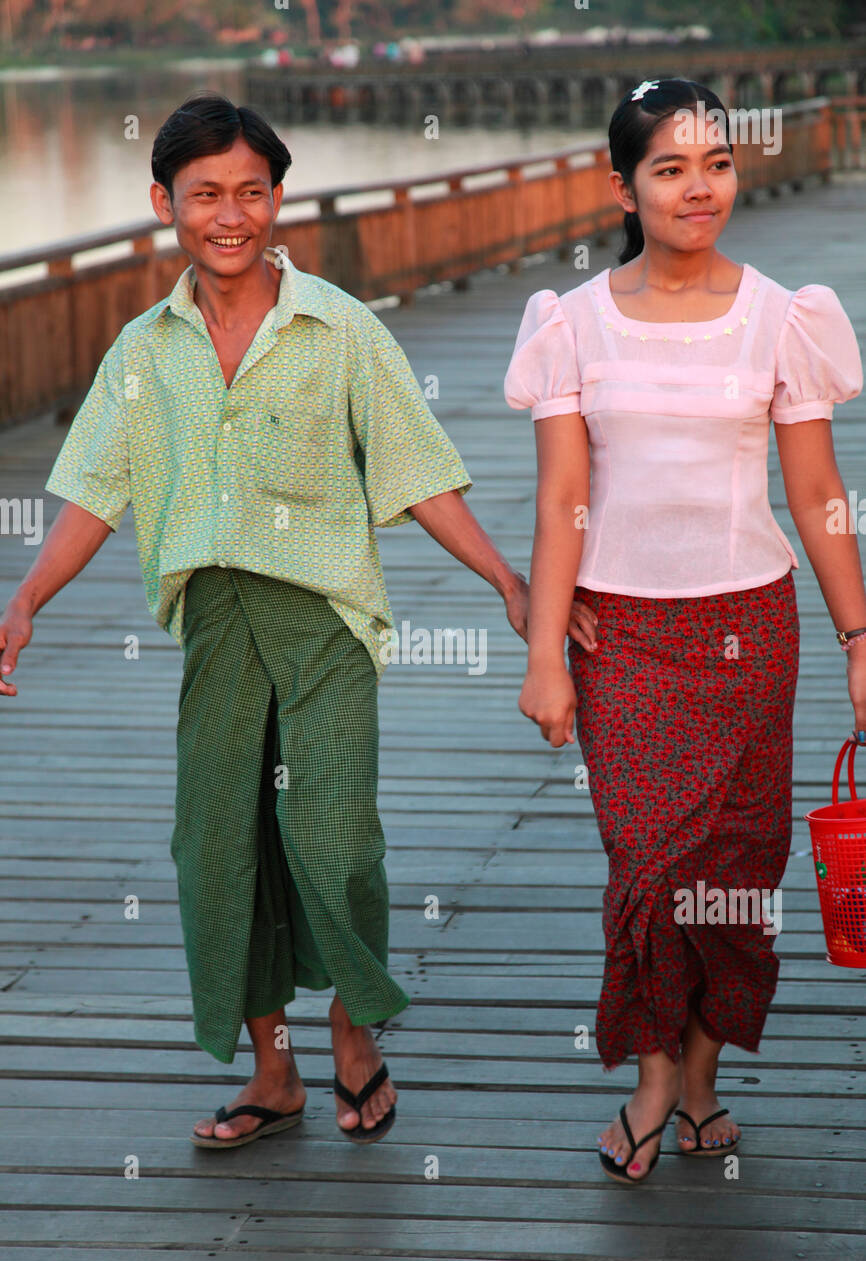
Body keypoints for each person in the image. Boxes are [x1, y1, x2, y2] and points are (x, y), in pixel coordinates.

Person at [0, 93, 595, 1149]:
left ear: (277, 198)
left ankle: (353, 1030)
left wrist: (506, 581)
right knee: (215, 846)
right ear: (162, 203)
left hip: (323, 622)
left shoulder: (339, 327)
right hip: (216, 623)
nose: (229, 215)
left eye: (251, 192)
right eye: (204, 195)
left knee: (333, 837)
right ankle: (272, 1071)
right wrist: (25, 603)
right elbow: (98, 489)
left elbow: (414, 477)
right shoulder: (144, 349)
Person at [504, 77, 866, 1183]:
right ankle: (653, 1071)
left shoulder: (779, 314)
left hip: (748, 633)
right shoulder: (570, 323)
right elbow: (563, 491)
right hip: (618, 638)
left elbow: (813, 495)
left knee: (736, 875)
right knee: (647, 871)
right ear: (621, 185)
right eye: (668, 167)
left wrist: (858, 636)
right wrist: (542, 653)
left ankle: (700, 1075)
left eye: (712, 161)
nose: (695, 185)